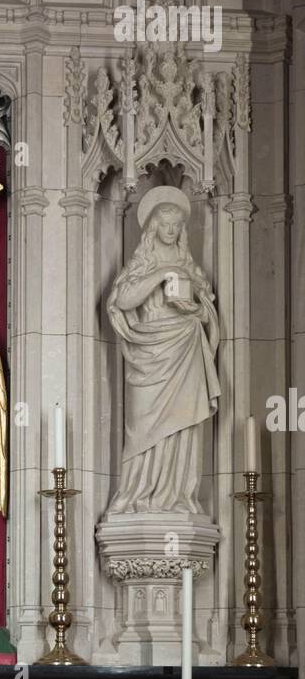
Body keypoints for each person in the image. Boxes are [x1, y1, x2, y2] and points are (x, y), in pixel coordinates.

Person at [106, 186, 220, 515]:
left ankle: (177, 496)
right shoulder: (141, 265)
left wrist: (194, 309)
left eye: (176, 225)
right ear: (153, 226)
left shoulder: (191, 269)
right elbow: (124, 301)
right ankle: (136, 493)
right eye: (164, 224)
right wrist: (159, 275)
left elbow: (206, 313)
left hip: (184, 347)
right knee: (142, 425)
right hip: (149, 352)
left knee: (183, 424)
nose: (170, 231)